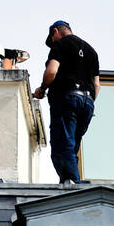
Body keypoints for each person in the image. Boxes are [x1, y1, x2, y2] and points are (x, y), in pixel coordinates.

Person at [33, 19, 100, 185]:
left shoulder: (60, 45)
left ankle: (73, 185)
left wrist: (42, 89)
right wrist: (87, 101)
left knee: (62, 145)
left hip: (67, 97)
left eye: (52, 38)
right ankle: (70, 180)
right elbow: (97, 84)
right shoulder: (92, 51)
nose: (52, 42)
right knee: (72, 146)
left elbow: (51, 71)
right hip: (88, 102)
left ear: (55, 32)